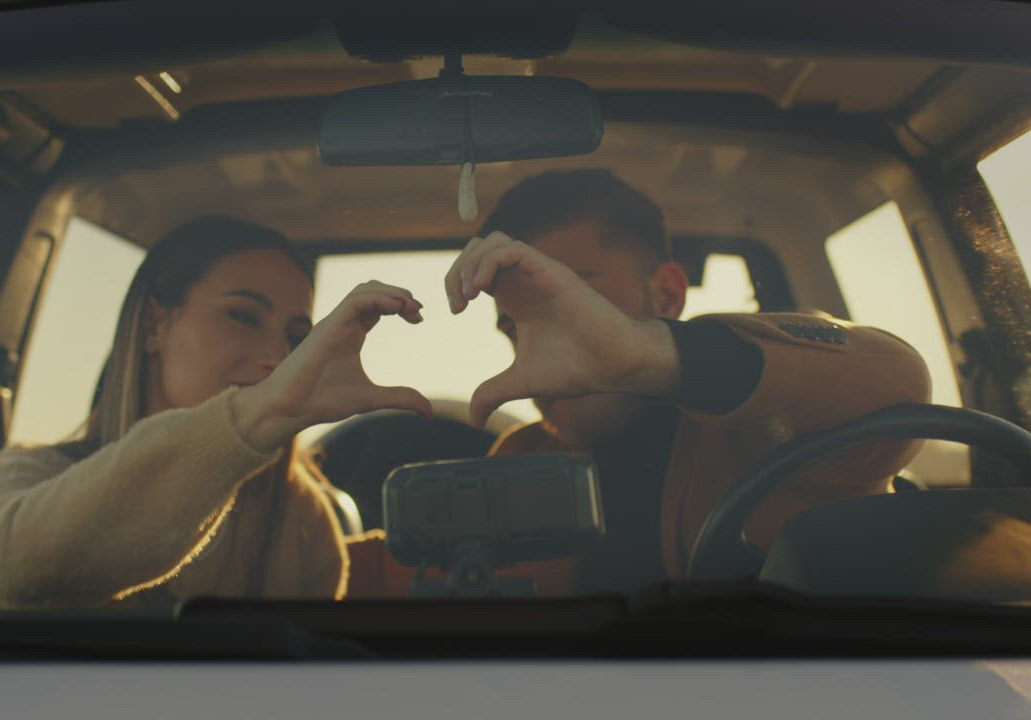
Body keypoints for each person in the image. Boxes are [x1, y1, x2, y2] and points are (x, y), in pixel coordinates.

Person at [344, 169, 932, 597]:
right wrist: (258, 439)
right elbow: (382, 580)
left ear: (668, 293)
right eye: (514, 328)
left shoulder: (772, 434)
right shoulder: (527, 456)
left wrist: (645, 355)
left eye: (573, 304)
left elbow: (892, 388)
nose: (538, 354)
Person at [0, 216, 430, 609]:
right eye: (243, 316)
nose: (276, 356)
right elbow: (20, 572)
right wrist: (255, 414)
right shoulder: (15, 479)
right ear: (155, 324)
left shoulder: (302, 518)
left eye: (295, 336)